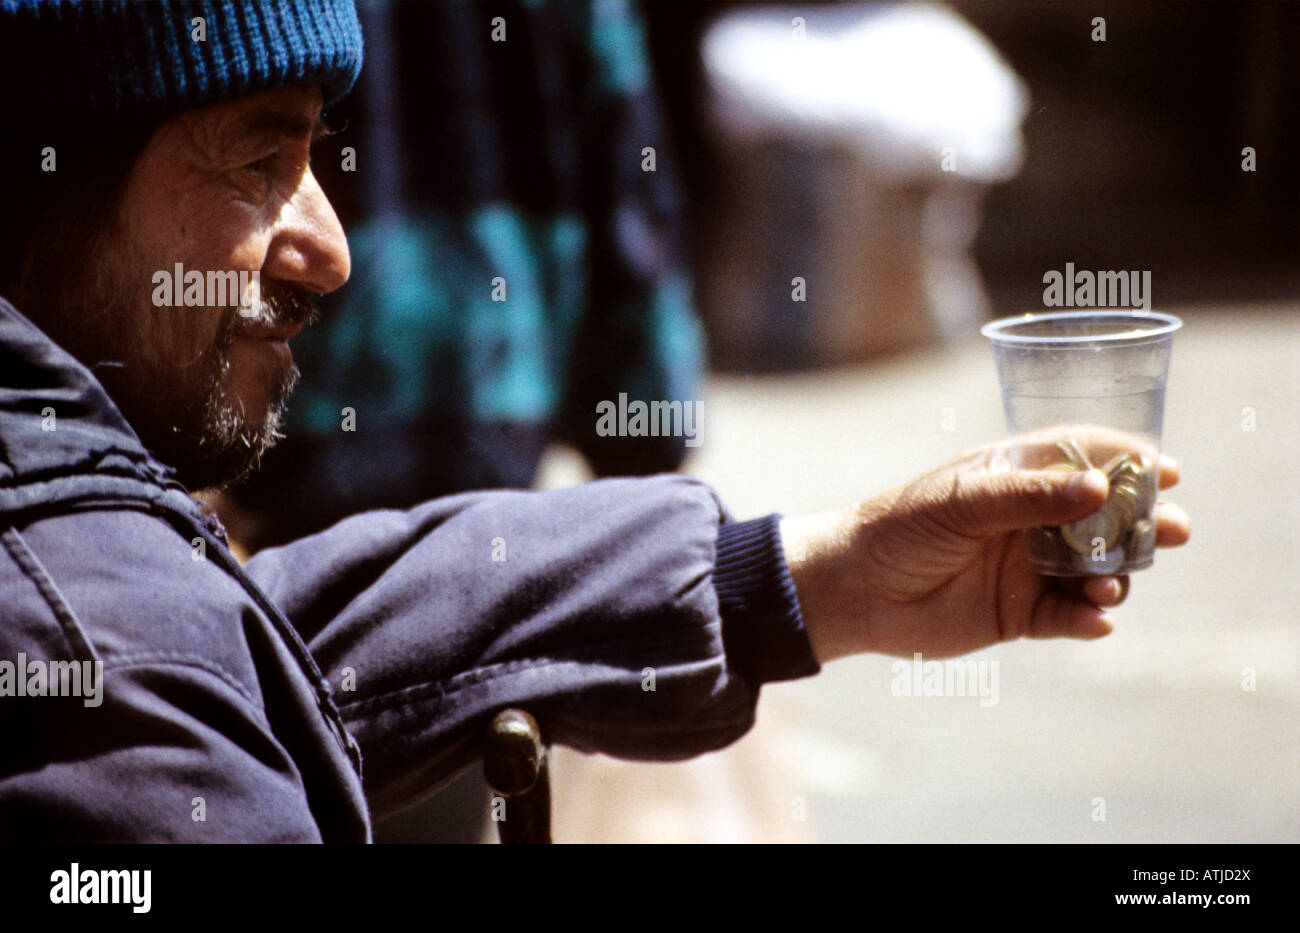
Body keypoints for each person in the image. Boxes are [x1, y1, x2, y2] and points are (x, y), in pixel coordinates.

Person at [0, 0, 1189, 842]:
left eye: (320, 160)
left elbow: (268, 658)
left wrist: (796, 574)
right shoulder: (104, 651)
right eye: (257, 164)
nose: (331, 252)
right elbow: (186, 666)